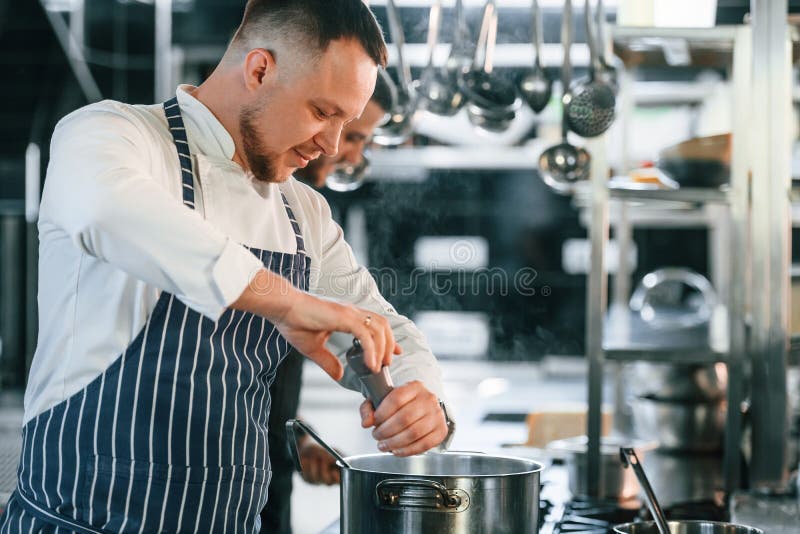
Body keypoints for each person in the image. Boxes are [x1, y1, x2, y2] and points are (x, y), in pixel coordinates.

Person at [0, 1, 451, 532]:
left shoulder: (303, 213)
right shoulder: (114, 135)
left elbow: (383, 328)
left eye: (347, 123)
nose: (332, 145)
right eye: (323, 112)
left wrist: (424, 401)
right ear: (259, 69)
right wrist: (286, 301)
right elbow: (107, 209)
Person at [260, 73, 396, 534]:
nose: (349, 152)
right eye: (352, 134)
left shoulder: (308, 212)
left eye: (359, 139)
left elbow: (250, 372)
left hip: (264, 480)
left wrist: (296, 438)